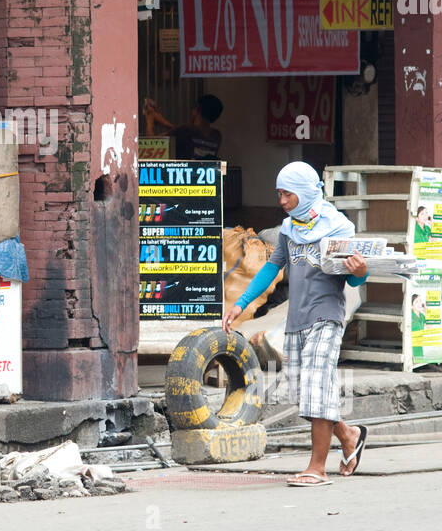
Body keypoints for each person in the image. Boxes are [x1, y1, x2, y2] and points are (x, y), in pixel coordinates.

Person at [223, 161, 369, 486]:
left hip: (327, 315)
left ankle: (317, 467)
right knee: (305, 393)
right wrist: (241, 304)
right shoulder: (290, 229)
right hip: (297, 319)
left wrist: (360, 272)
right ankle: (348, 435)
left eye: (287, 194)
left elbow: (356, 279)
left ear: (304, 193)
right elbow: (270, 269)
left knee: (318, 383)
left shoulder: (337, 227)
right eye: (279, 194)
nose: (282, 201)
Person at [142, 94, 223, 159]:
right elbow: (185, 134)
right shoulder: (216, 136)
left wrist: (150, 121)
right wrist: (164, 122)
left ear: (198, 109)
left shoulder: (186, 131)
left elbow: (150, 143)